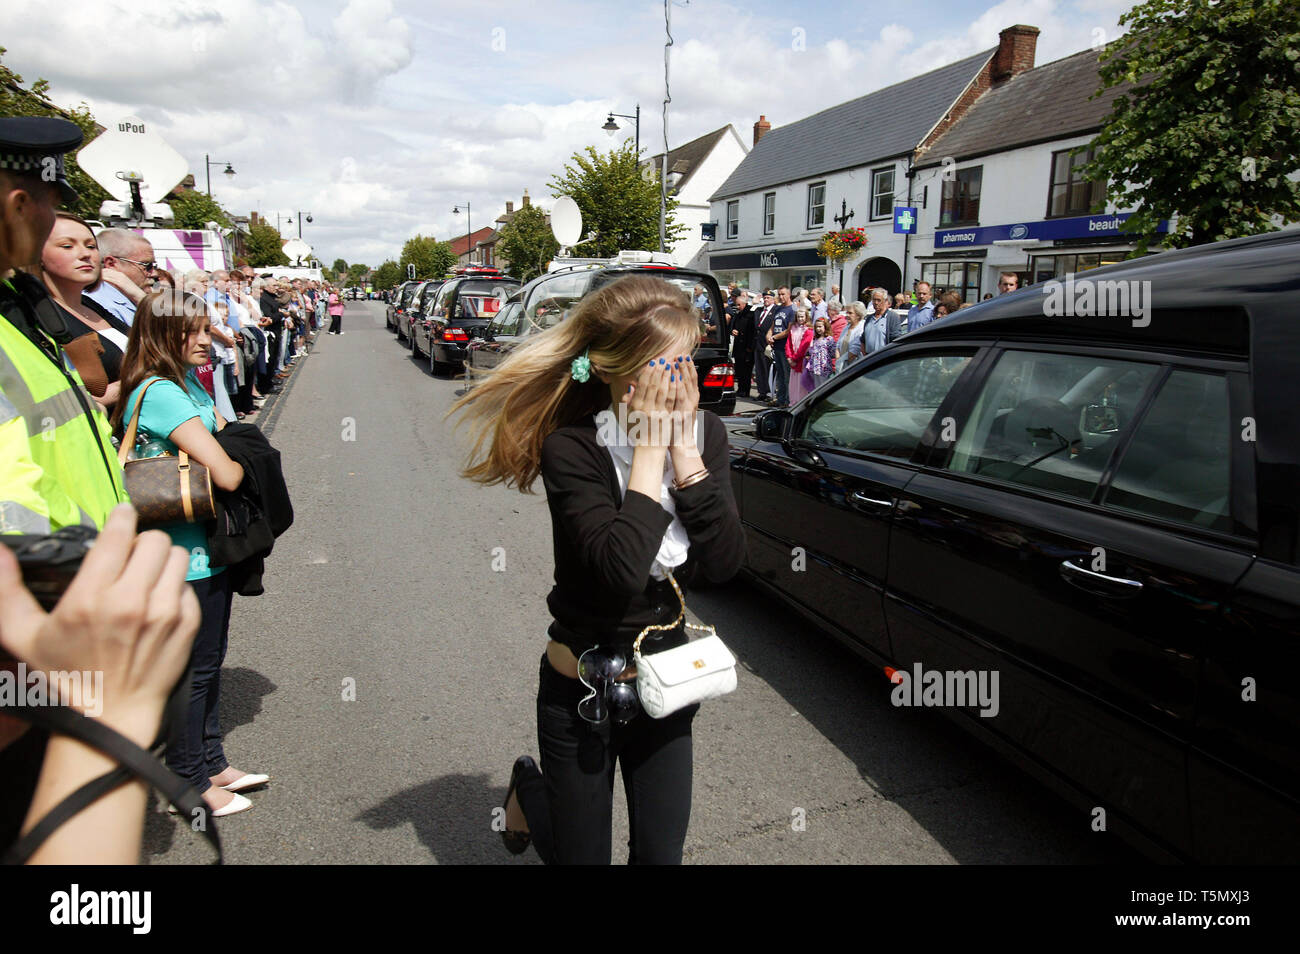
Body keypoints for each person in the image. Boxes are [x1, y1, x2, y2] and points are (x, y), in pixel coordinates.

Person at [450, 275, 745, 864]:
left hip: (664, 686)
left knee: (660, 857)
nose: (675, 381)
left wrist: (683, 452)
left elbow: (725, 563)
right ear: (610, 367)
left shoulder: (705, 434)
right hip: (581, 688)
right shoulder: (573, 447)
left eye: (684, 363)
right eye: (660, 365)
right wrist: (650, 451)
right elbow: (619, 571)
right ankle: (530, 791)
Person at [0, 115, 200, 863]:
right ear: (22, 207)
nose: (62, 226)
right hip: (35, 633)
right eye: (52, 210)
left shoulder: (20, 310)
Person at [112, 289, 268, 817]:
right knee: (192, 669)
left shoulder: (179, 383)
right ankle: (187, 779)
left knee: (207, 661)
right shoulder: (163, 393)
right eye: (193, 331)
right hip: (181, 557)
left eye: (207, 329)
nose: (207, 340)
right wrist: (242, 455)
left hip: (204, 550)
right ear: (161, 334)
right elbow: (224, 472)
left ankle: (212, 763)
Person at [36, 212, 131, 412]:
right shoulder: (38, 316)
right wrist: (135, 383)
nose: (85, 254)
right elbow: (63, 401)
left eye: (91, 246)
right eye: (67, 246)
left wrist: (137, 294)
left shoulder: (91, 304)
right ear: (37, 254)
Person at [86, 228, 156, 325]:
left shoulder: (129, 299)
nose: (153, 273)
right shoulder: (103, 306)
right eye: (147, 265)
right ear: (111, 264)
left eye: (154, 266)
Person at [767, 286, 795, 406]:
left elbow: (788, 330)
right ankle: (780, 399)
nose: (781, 297)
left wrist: (774, 337)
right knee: (780, 375)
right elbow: (772, 326)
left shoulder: (792, 310)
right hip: (776, 347)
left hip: (785, 347)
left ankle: (788, 401)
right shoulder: (778, 309)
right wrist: (768, 335)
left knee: (787, 376)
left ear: (789, 295)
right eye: (779, 294)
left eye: (783, 294)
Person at [725, 289, 755, 398]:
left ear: (744, 303)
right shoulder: (738, 313)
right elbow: (732, 325)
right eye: (736, 305)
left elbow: (752, 331)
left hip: (746, 346)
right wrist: (732, 330)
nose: (737, 307)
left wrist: (750, 347)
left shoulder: (751, 313)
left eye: (739, 305)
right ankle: (740, 389)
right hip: (738, 346)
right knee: (739, 369)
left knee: (746, 371)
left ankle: (745, 390)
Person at [751, 290, 776, 404]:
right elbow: (752, 316)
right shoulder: (759, 310)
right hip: (757, 343)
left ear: (773, 299)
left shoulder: (776, 311)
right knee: (759, 369)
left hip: (768, 345)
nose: (766, 300)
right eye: (765, 298)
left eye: (768, 298)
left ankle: (769, 392)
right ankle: (762, 392)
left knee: (767, 369)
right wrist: (754, 303)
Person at [785, 308, 812, 404]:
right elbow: (788, 343)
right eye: (798, 316)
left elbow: (803, 347)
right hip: (792, 359)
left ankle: (800, 402)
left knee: (801, 383)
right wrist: (789, 357)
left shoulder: (808, 330)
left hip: (801, 360)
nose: (800, 319)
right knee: (793, 383)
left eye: (802, 317)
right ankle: (793, 401)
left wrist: (795, 358)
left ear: (806, 317)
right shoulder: (793, 328)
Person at [836, 301, 867, 374]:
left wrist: (841, 362)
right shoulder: (846, 327)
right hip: (842, 366)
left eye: (850, 313)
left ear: (858, 315)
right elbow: (838, 345)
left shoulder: (862, 327)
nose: (847, 315)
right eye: (847, 313)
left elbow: (855, 350)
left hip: (854, 367)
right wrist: (838, 360)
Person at [806, 316, 836, 390]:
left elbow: (833, 353)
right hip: (815, 368)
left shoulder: (829, 339)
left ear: (825, 326)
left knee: (824, 387)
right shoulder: (815, 339)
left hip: (824, 368)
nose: (818, 329)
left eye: (820, 326)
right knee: (817, 387)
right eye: (816, 327)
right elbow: (811, 351)